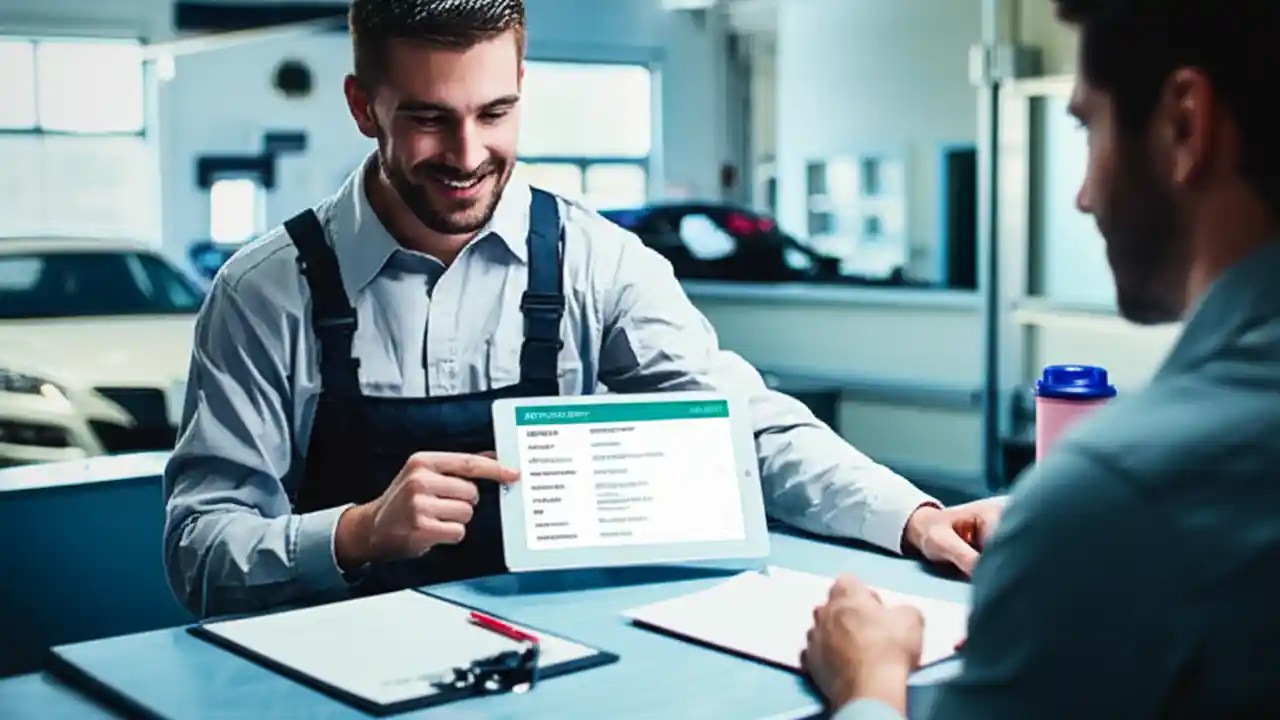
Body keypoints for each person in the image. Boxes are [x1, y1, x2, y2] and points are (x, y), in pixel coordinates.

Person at [163, 0, 1003, 619]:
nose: (466, 155)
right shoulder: (262, 293)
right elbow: (199, 549)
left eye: (495, 113)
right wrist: (354, 533)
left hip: (551, 660)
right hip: (322, 676)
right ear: (361, 105)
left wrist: (915, 517)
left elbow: (743, 429)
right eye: (427, 119)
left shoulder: (597, 260)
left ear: (523, 88)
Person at [804, 0, 1280, 717]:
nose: (1084, 196)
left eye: (1089, 128)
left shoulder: (1120, 500)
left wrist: (868, 681)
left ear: (1185, 124)